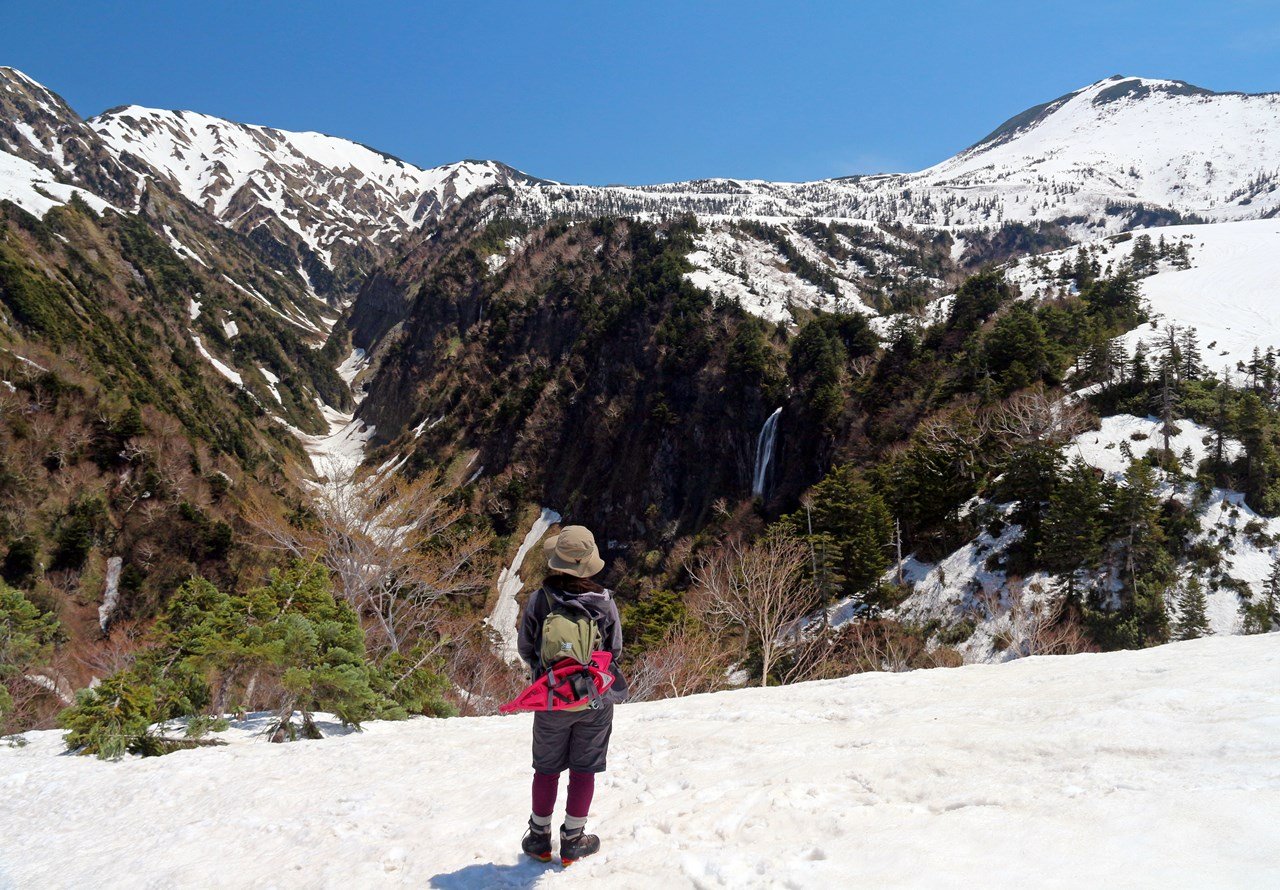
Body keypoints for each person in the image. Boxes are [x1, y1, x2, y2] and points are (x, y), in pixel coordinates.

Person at [517, 524, 627, 866]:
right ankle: (573, 839)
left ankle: (538, 838)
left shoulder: (540, 600)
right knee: (584, 770)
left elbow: (525, 648)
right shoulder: (604, 603)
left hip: (550, 699)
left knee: (546, 770)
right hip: (593, 700)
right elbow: (615, 650)